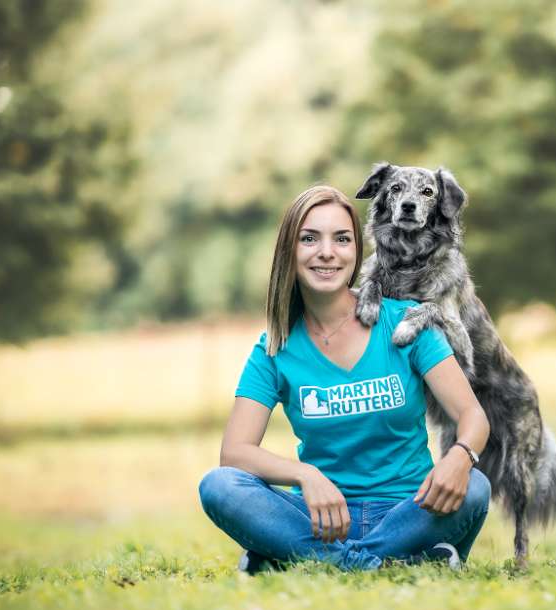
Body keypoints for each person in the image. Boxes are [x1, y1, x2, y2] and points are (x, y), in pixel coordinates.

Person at [198, 184, 491, 573]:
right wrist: (306, 475)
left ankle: (303, 558)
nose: (326, 252)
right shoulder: (275, 348)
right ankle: (392, 562)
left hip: (409, 508)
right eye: (309, 239)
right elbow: (235, 453)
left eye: (341, 239)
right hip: (319, 516)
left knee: (476, 487)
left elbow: (472, 415)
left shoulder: (407, 322)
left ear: (356, 252)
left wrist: (459, 456)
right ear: (290, 251)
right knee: (219, 487)